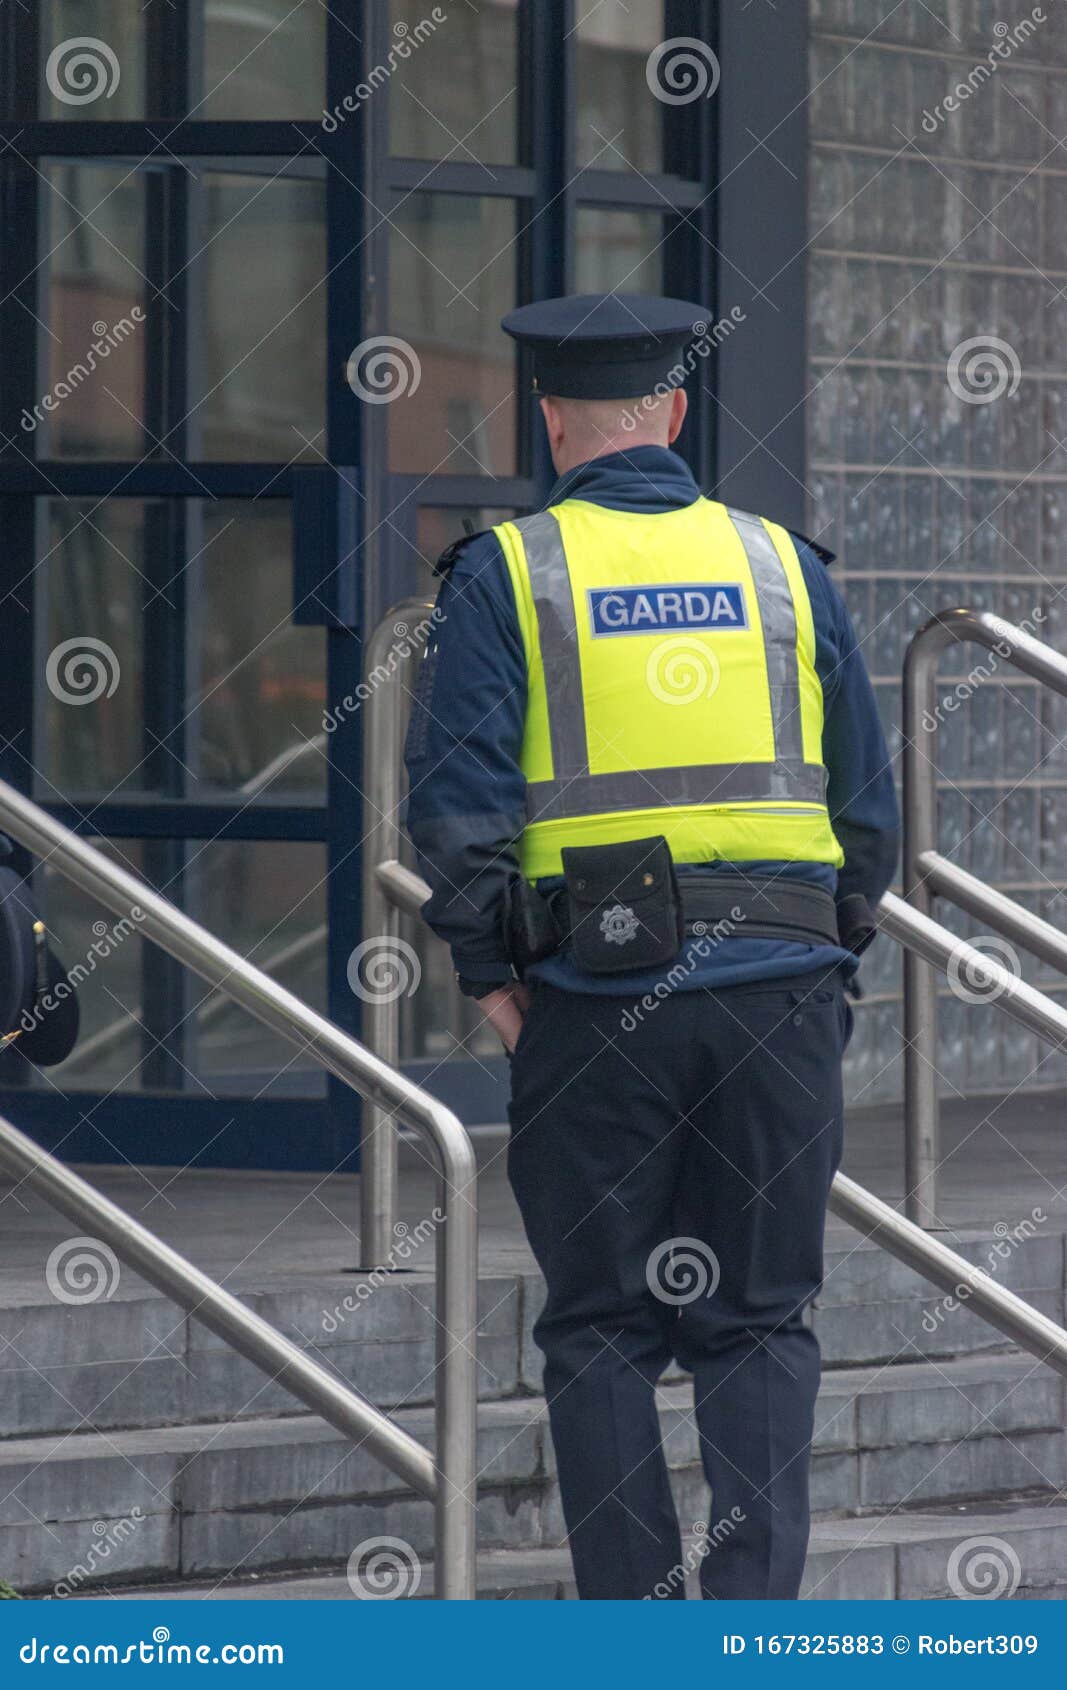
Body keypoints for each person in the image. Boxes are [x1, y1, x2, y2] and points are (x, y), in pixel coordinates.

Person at [404, 292, 899, 1600]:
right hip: (780, 991)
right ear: (674, 412)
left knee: (602, 1327)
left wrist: (491, 975)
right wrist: (831, 959)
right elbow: (867, 806)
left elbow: (455, 808)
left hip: (593, 993)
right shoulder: (783, 565)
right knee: (760, 1322)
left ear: (552, 423)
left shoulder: (509, 572)